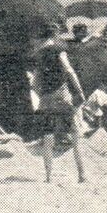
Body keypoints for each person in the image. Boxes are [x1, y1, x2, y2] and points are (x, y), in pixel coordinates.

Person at [31, 34, 87, 183]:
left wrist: (43, 95)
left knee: (48, 139)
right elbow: (69, 71)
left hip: (46, 100)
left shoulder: (39, 54)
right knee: (75, 137)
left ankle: (48, 177)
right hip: (63, 99)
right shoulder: (60, 49)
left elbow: (34, 83)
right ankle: (82, 175)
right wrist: (80, 91)